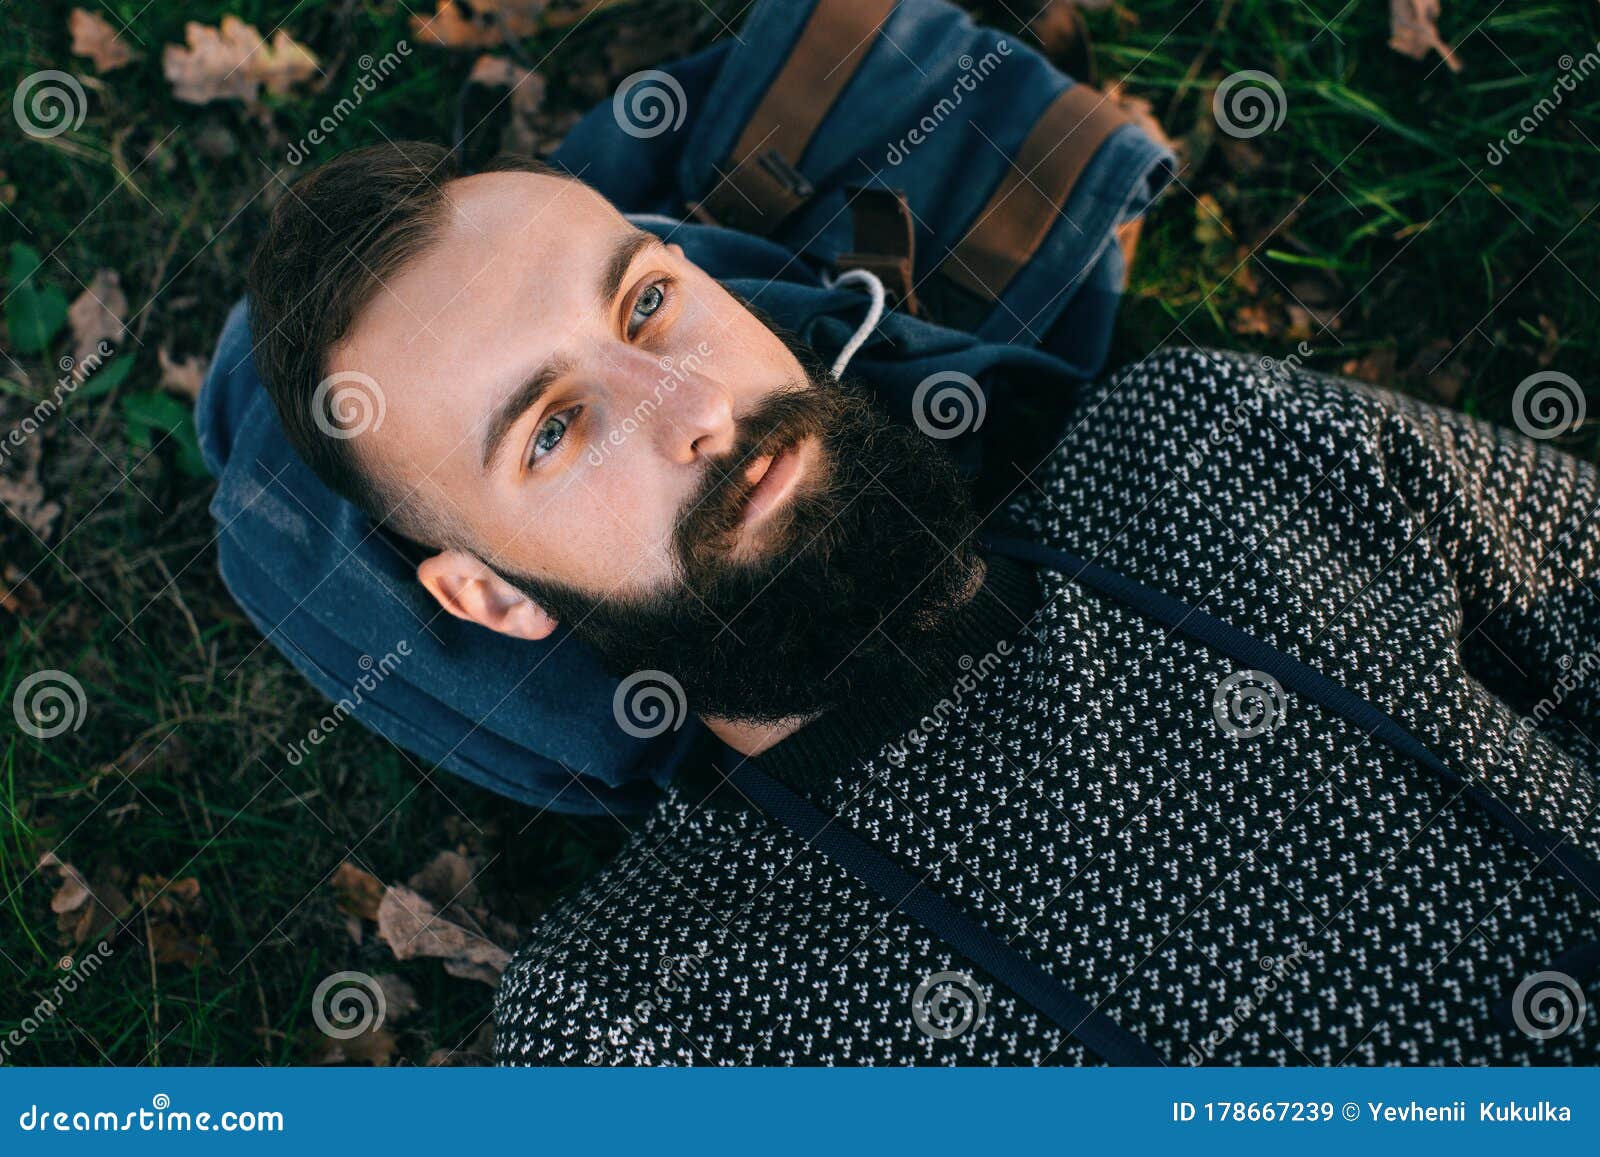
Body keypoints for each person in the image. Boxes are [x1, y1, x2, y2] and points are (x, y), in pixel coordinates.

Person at [248, 141, 1599, 1065]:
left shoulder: (1205, 443)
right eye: (551, 429)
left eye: (651, 302)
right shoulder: (632, 1028)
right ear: (484, 594)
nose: (697, 407)